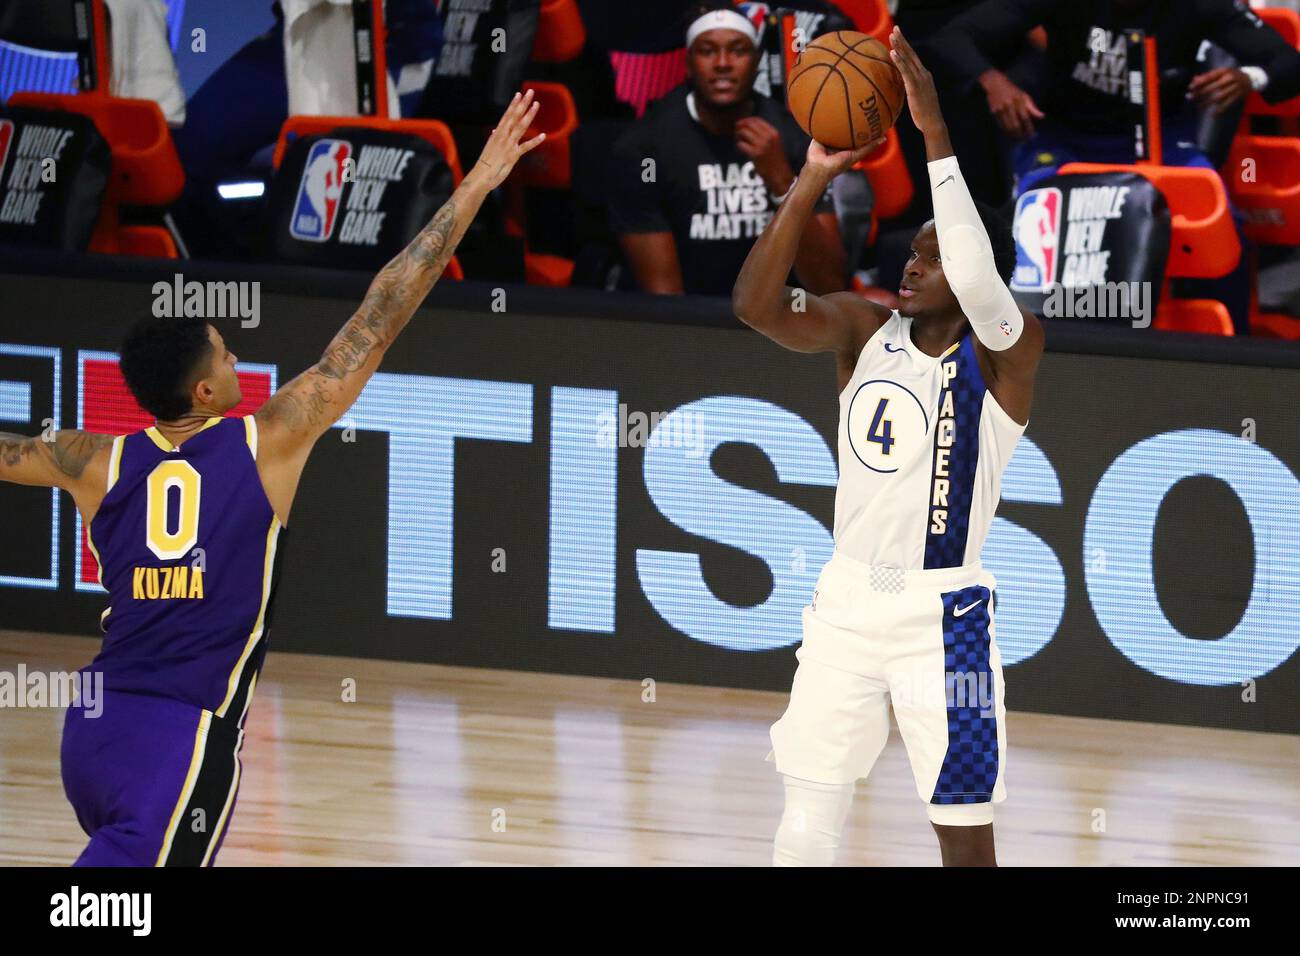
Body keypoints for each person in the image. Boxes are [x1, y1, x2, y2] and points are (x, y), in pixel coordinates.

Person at [0, 91, 544, 867]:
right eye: (224, 355)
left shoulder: (94, 459)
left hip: (91, 728)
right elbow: (381, 311)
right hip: (179, 735)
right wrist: (476, 186)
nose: (233, 361)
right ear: (203, 393)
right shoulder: (269, 440)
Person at [732, 27, 1046, 866]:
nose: (913, 266)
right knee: (805, 825)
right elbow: (756, 307)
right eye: (912, 252)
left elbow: (978, 277)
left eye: (933, 259)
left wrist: (934, 129)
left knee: (965, 836)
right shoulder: (864, 329)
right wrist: (809, 178)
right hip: (844, 603)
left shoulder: (1007, 353)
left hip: (946, 621)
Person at [609, 3, 846, 296]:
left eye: (738, 50)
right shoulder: (644, 150)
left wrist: (782, 183)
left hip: (779, 324)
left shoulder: (795, 138)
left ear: (757, 62)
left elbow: (828, 284)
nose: (723, 62)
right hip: (690, 323)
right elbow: (665, 300)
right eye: (707, 51)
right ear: (688, 63)